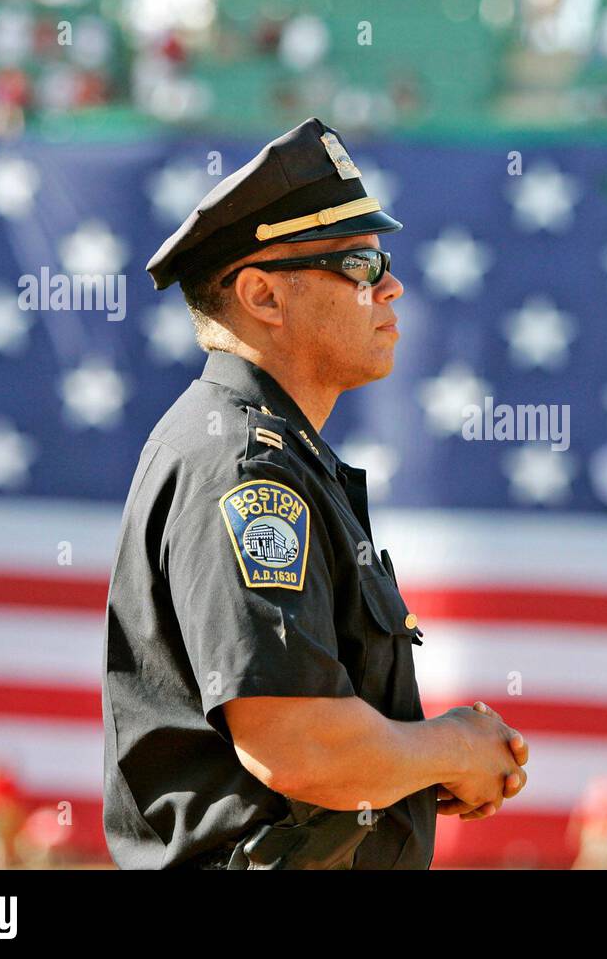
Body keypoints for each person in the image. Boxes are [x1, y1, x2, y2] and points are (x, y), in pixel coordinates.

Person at [102, 118, 528, 869]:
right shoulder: (245, 466)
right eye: (360, 262)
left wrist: (432, 766)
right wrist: (449, 744)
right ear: (263, 295)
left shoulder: (275, 454)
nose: (391, 283)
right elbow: (296, 746)